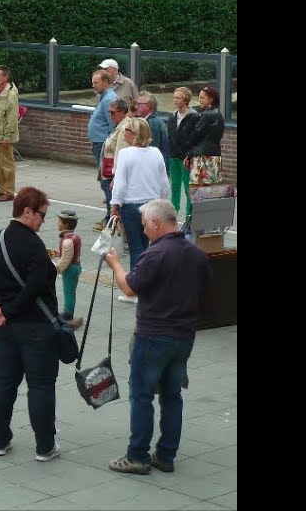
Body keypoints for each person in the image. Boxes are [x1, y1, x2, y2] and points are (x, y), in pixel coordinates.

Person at [102, 199, 212, 475]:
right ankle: (165, 455)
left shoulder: (156, 253)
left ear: (156, 223)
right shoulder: (196, 254)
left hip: (153, 335)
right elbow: (205, 288)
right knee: (172, 396)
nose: (143, 232)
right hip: (183, 336)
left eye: (144, 226)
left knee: (141, 396)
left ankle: (137, 455)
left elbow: (129, 288)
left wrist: (115, 264)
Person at [0, 187, 62, 462]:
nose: (43, 221)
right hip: (35, 327)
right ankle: (44, 446)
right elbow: (36, 287)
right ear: (27, 211)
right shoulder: (34, 246)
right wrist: (10, 311)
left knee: (3, 380)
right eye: (42, 215)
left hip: (2, 328)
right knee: (40, 386)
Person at [111, 117, 171, 275]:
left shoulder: (125, 153)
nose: (124, 131)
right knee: (146, 246)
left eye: (127, 129)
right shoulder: (156, 153)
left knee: (135, 247)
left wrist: (114, 205)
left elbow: (120, 184)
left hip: (131, 206)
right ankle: (147, 281)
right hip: (152, 205)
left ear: (134, 134)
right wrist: (162, 202)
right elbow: (164, 183)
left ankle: (135, 287)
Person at [88, 70, 118, 229]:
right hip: (99, 144)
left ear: (106, 82)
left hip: (103, 146)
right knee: (104, 182)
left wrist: (107, 147)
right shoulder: (104, 98)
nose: (93, 85)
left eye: (96, 82)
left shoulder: (109, 100)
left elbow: (112, 125)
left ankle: (110, 219)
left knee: (107, 182)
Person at [0, 65, 20, 202]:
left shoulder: (10, 94)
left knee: (7, 165)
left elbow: (12, 117)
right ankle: (1, 188)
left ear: (6, 77)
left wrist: (7, 137)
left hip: (4, 135)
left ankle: (9, 191)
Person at [185, 85, 226, 193]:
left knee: (196, 192)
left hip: (201, 157)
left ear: (211, 99)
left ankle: (196, 210)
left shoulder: (207, 115)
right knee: (210, 193)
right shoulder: (219, 115)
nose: (199, 100)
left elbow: (195, 136)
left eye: (202, 98)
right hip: (214, 156)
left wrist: (188, 155)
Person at [167, 87, 199, 216]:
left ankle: (189, 216)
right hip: (174, 157)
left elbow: (195, 139)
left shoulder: (194, 116)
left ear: (186, 100)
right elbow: (171, 136)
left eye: (178, 98)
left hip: (187, 159)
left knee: (188, 189)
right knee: (174, 187)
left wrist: (190, 155)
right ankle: (173, 214)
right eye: (174, 97)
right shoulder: (173, 116)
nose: (175, 100)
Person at [49, 210, 84, 329]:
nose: (57, 224)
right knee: (70, 291)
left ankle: (68, 313)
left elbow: (65, 260)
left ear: (67, 225)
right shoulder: (74, 237)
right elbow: (67, 254)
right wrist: (56, 253)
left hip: (70, 269)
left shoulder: (68, 241)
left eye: (60, 221)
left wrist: (55, 270)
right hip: (75, 266)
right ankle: (68, 311)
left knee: (68, 291)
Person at [137, 93, 170, 164]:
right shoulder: (148, 121)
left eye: (139, 104)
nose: (136, 107)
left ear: (148, 106)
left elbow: (152, 148)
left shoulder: (153, 123)